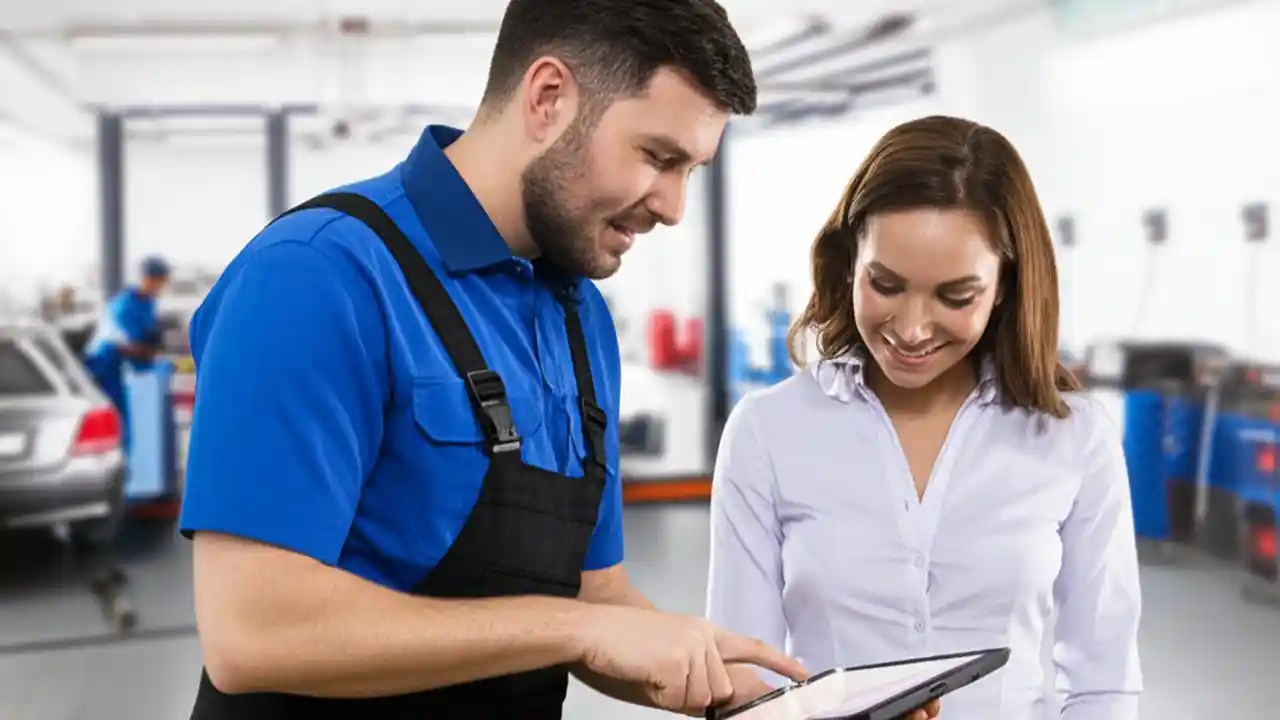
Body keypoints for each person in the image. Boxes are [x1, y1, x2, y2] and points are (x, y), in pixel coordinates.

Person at [177, 2, 922, 719]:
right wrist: (579, 631)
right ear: (548, 98)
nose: (673, 207)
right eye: (658, 158)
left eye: (690, 170)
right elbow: (254, 631)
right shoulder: (318, 276)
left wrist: (749, 693)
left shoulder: (580, 317)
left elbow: (595, 598)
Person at [706, 115, 1144, 718]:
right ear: (847, 264)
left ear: (1005, 288)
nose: (911, 329)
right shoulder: (768, 431)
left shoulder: (1074, 437)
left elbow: (1103, 682)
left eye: (955, 296)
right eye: (885, 284)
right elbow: (744, 681)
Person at [83, 255, 171, 447]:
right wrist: (152, 352)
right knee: (119, 415)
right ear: (147, 279)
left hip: (130, 363)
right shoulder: (123, 306)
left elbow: (150, 336)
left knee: (136, 415)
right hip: (105, 364)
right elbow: (130, 344)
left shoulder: (147, 302)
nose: (160, 287)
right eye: (158, 282)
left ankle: (134, 459)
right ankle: (123, 463)